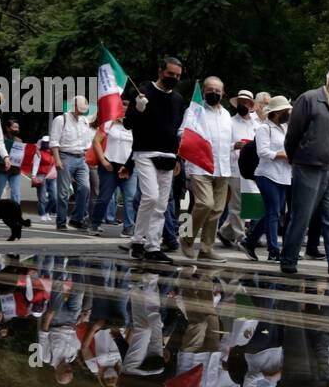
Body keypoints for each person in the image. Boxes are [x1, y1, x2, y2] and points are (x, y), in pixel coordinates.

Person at [281, 66, 329, 276]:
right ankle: (289, 258)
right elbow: (293, 135)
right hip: (309, 167)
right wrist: (296, 159)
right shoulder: (309, 99)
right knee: (301, 215)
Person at [124, 56, 188, 263]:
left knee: (161, 203)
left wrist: (177, 157)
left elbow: (176, 130)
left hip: (168, 155)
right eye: (170, 74)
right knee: (150, 197)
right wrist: (139, 108)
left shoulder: (178, 99)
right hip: (145, 152)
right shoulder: (143, 92)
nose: (174, 78)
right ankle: (137, 240)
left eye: (177, 76)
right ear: (161, 71)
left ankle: (152, 245)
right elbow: (128, 124)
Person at [178, 76, 234, 262]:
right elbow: (182, 134)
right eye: (210, 90)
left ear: (223, 93)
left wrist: (237, 146)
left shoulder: (226, 115)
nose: (214, 93)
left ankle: (206, 249)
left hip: (222, 168)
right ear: (203, 92)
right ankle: (186, 238)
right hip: (200, 166)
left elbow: (229, 141)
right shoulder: (195, 111)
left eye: (218, 91)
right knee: (205, 204)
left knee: (217, 210)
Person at [242, 94, 293, 260]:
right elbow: (262, 152)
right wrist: (283, 155)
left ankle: (249, 242)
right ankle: (273, 251)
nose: (288, 114)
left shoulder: (285, 128)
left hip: (283, 176)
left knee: (273, 213)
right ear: (277, 113)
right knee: (273, 213)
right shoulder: (265, 128)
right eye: (286, 111)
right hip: (267, 175)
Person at [216, 89, 257, 249]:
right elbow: (221, 144)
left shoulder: (255, 124)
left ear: (251, 104)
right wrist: (235, 145)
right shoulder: (230, 123)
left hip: (252, 168)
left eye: (246, 102)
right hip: (235, 167)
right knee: (239, 203)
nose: (243, 105)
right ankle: (241, 236)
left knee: (252, 201)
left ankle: (225, 231)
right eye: (240, 102)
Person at [49, 94, 94, 230]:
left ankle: (76, 218)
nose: (80, 112)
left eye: (83, 110)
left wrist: (89, 158)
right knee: (63, 192)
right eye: (79, 109)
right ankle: (61, 222)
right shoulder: (60, 119)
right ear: (73, 106)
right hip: (65, 157)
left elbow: (87, 143)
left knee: (85, 188)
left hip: (82, 158)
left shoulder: (84, 121)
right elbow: (54, 141)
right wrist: (57, 160)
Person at [90, 110, 136, 237]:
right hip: (109, 167)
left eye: (128, 108)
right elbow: (96, 142)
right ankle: (95, 223)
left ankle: (128, 227)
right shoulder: (108, 124)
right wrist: (103, 161)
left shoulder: (136, 125)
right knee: (104, 197)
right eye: (123, 107)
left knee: (130, 198)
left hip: (128, 168)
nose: (126, 111)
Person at [0, 117, 23, 204]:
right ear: (8, 128)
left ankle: (16, 213)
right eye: (14, 127)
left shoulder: (19, 141)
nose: (16, 129)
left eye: (17, 128)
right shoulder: (0, 139)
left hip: (15, 171)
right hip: (1, 169)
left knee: (16, 193)